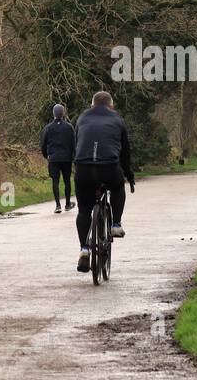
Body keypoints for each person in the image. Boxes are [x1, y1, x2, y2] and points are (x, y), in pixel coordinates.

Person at [73, 91, 135, 273]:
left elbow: (77, 143)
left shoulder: (82, 117)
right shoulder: (117, 119)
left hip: (83, 166)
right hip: (109, 166)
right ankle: (116, 224)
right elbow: (125, 152)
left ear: (92, 105)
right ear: (111, 105)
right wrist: (129, 175)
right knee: (117, 187)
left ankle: (84, 249)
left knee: (84, 210)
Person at [40, 104, 76, 213]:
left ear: (54, 114)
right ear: (63, 113)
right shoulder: (69, 127)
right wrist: (73, 156)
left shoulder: (48, 128)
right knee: (67, 181)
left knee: (55, 181)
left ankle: (57, 205)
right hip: (66, 158)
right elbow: (73, 143)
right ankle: (68, 203)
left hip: (54, 158)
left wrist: (46, 155)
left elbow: (43, 144)